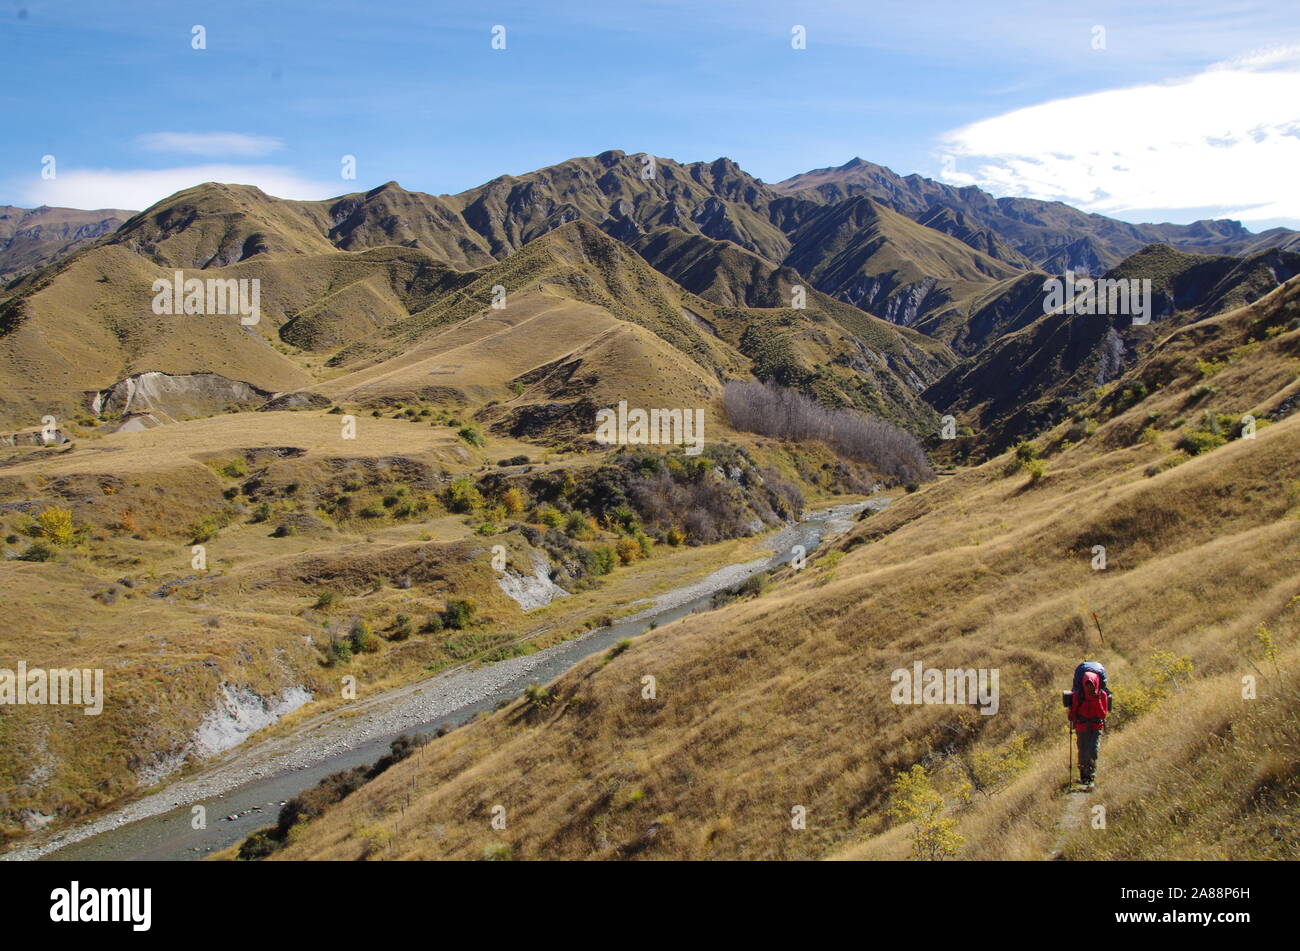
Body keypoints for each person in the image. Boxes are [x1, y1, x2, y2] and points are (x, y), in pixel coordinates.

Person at [1068, 666, 1110, 789]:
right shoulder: (1078, 695)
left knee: (1093, 750)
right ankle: (1083, 777)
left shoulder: (1102, 695)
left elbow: (1103, 714)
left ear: (1096, 683)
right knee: (1082, 752)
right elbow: (1073, 713)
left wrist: (1096, 700)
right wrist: (1072, 717)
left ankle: (1091, 776)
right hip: (1082, 726)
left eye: (1091, 684)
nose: (1089, 687)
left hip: (1096, 726)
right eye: (1087, 684)